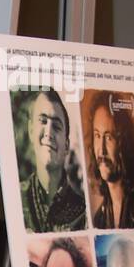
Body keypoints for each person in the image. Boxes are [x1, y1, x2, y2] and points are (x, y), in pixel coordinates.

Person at [18, 89, 86, 233]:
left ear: (66, 146)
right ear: (31, 131)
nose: (48, 132)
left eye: (56, 126)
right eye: (43, 121)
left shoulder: (83, 212)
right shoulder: (16, 199)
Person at [86, 93, 134, 230]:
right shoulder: (99, 219)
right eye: (97, 135)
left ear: (123, 143)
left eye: (108, 137)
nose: (101, 150)